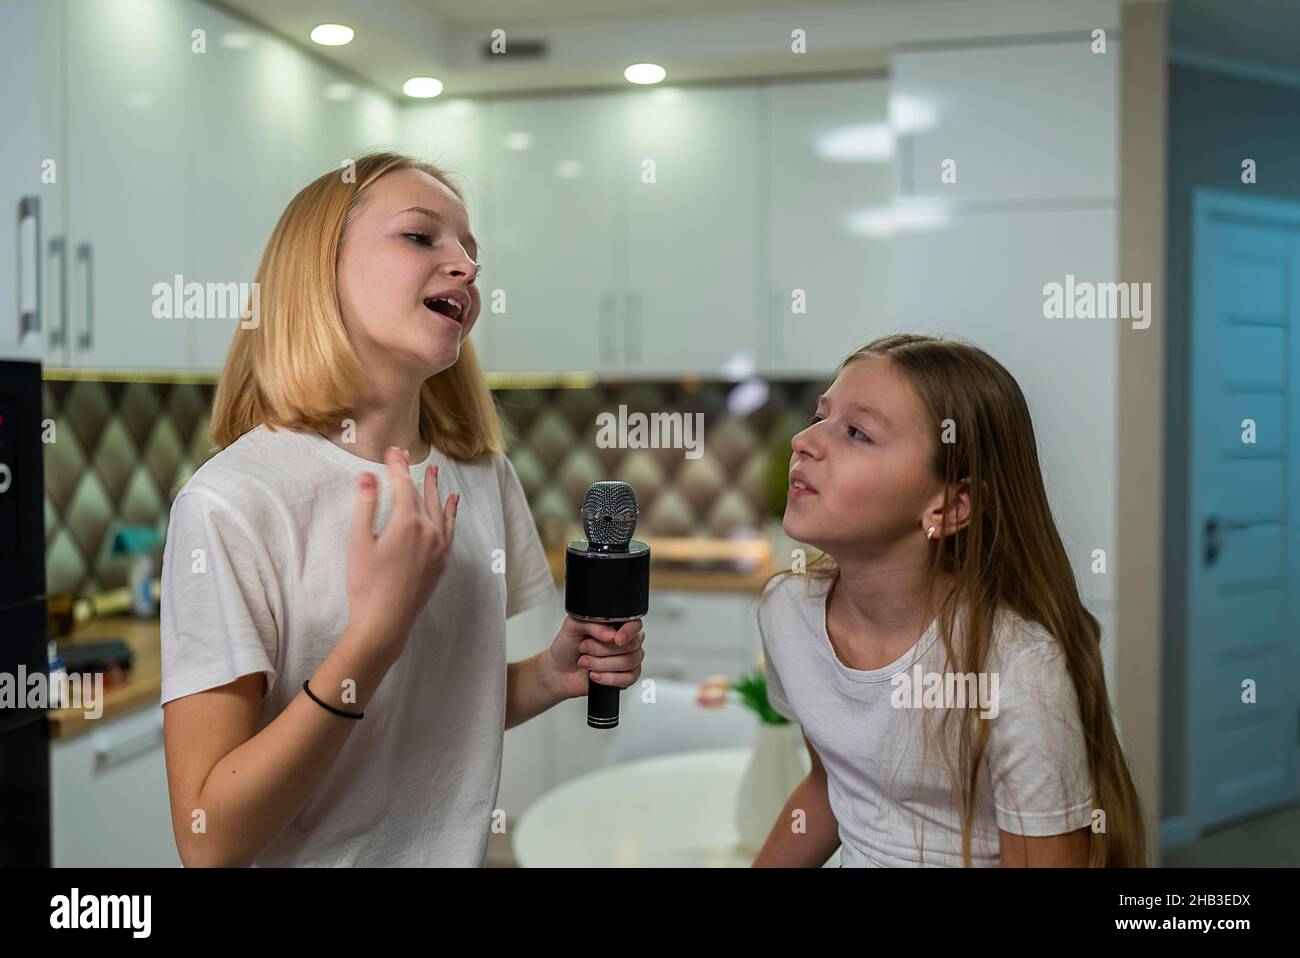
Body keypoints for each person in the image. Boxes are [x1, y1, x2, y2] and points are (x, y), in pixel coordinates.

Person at [159, 151, 645, 867]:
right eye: (422, 237)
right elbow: (209, 841)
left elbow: (430, 714)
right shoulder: (233, 503)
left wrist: (549, 675)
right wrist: (372, 640)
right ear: (318, 269)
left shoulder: (482, 477)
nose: (466, 268)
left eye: (471, 251)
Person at [752, 333, 1145, 867]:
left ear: (951, 505)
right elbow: (831, 789)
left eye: (857, 432)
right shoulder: (787, 610)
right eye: (820, 417)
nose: (803, 439)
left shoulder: (1018, 669)